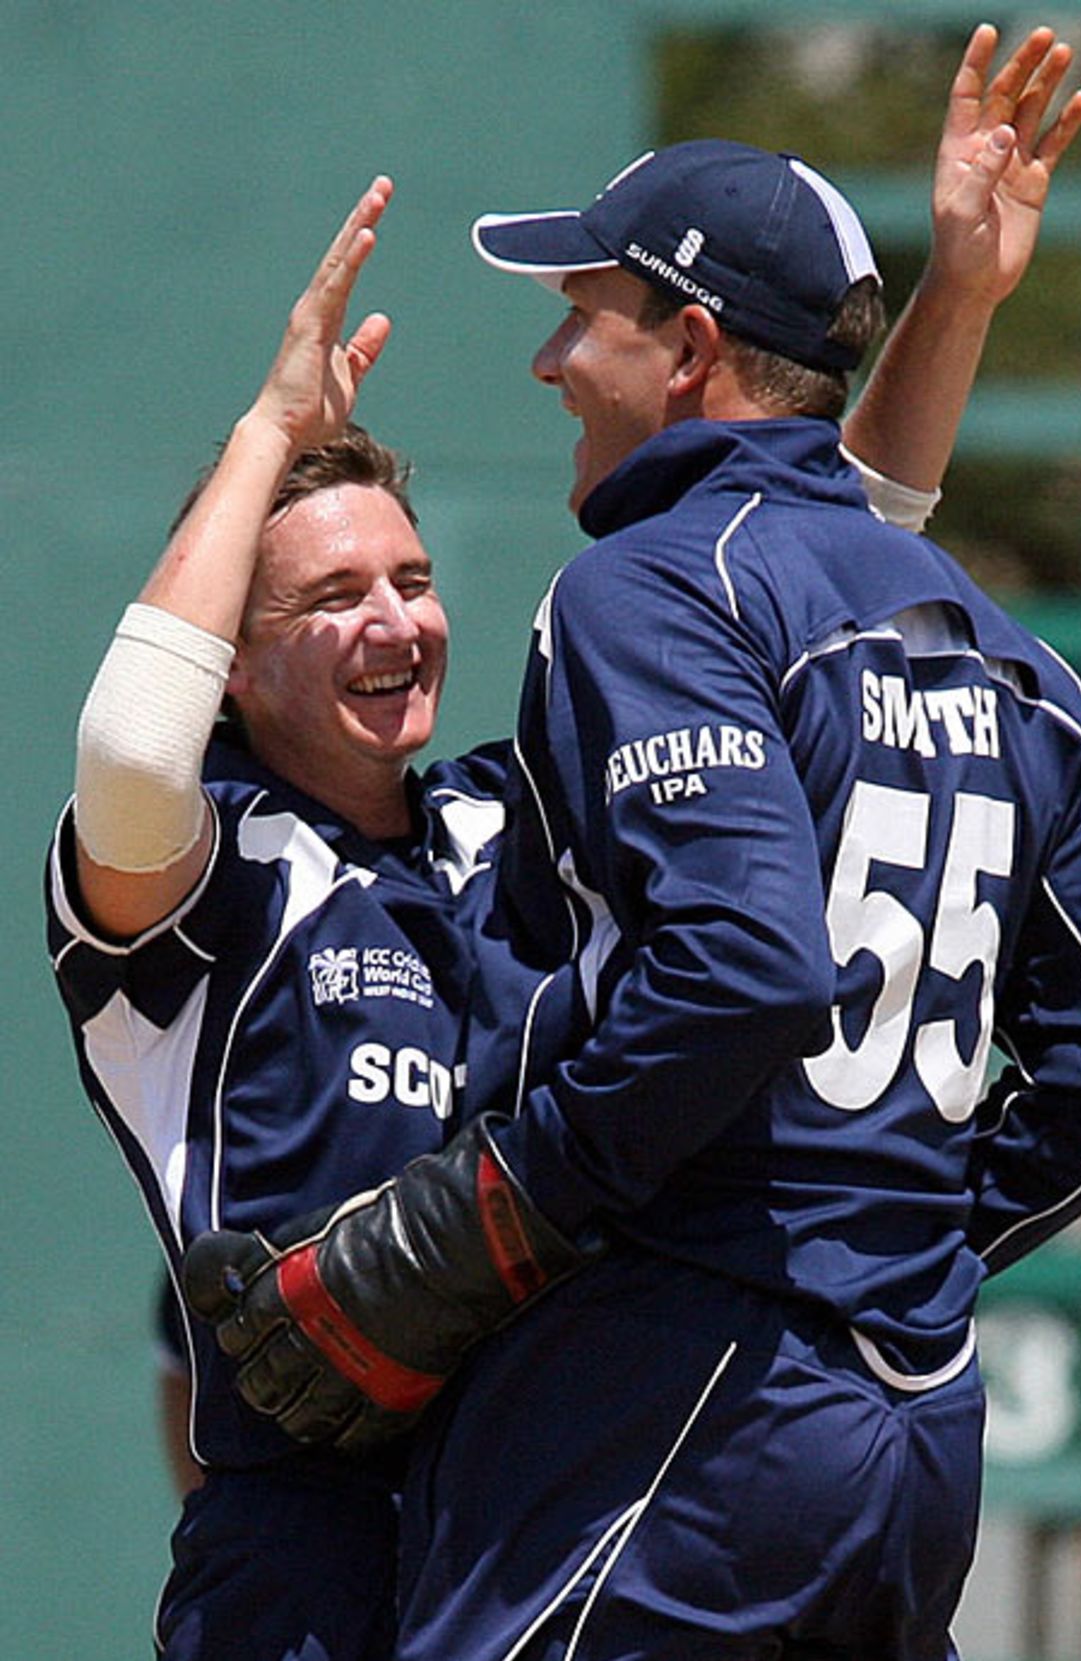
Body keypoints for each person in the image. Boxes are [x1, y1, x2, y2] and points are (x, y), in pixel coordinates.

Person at [177, 22, 1081, 1661]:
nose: (552, 360)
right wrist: (900, 1240)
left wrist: (501, 1213)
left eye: (586, 314)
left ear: (692, 347)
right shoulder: (1006, 655)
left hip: (689, 1393)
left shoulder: (646, 582)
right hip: (920, 1425)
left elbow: (743, 960)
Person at [45, 180, 509, 1661]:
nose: (397, 619)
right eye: (332, 596)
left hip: (536, 1522)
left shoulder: (505, 827)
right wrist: (268, 432)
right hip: (307, 1551)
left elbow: (795, 627)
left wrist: (949, 305)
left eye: (416, 579)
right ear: (235, 668)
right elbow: (128, 744)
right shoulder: (206, 873)